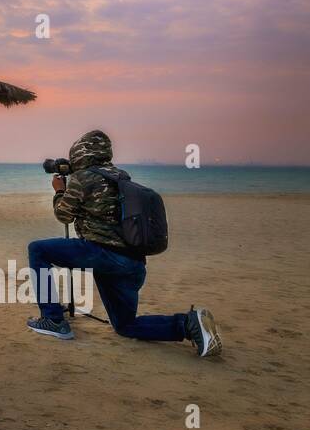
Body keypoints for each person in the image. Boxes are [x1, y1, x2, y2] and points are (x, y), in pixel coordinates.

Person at [25, 129, 223, 357]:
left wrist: (60, 191)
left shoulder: (83, 178)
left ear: (81, 153)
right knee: (125, 325)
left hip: (101, 254)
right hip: (132, 263)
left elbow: (64, 216)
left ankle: (53, 321)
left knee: (37, 249)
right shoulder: (120, 176)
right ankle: (189, 324)